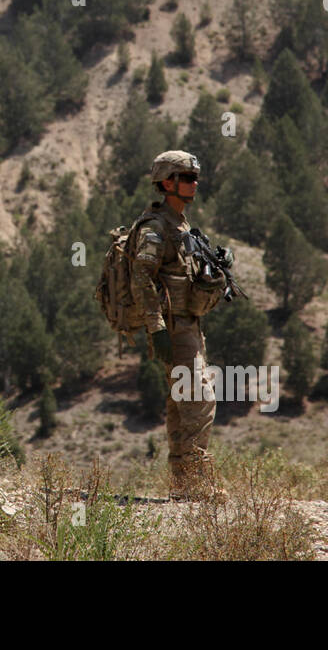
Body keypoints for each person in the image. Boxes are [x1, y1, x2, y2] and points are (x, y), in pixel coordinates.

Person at [129, 151, 232, 502]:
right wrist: (156, 328)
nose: (194, 183)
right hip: (174, 328)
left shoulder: (180, 224)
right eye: (186, 177)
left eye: (194, 177)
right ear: (167, 182)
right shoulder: (156, 227)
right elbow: (140, 276)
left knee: (181, 401)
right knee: (199, 399)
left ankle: (183, 486)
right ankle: (197, 485)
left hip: (189, 326)